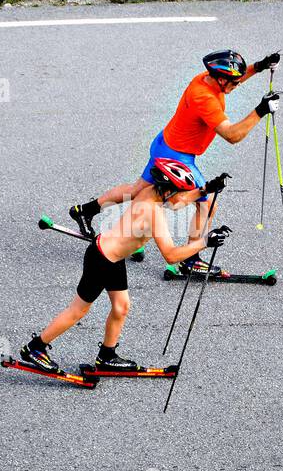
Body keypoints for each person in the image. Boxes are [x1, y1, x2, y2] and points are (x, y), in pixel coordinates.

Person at [67, 49, 279, 275]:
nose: (237, 85)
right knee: (207, 204)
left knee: (137, 189)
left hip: (165, 143)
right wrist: (260, 110)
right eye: (233, 82)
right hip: (177, 156)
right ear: (220, 79)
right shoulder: (204, 98)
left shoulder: (205, 79)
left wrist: (259, 66)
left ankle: (85, 210)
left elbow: (234, 79)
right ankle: (190, 260)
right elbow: (232, 135)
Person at [21, 159, 231, 374]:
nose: (181, 196)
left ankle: (107, 357)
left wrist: (206, 189)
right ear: (168, 190)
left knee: (121, 307)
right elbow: (171, 255)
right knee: (78, 310)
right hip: (101, 261)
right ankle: (35, 348)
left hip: (111, 257)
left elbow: (178, 201)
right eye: (178, 191)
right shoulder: (154, 214)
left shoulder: (151, 191)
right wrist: (204, 242)